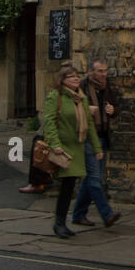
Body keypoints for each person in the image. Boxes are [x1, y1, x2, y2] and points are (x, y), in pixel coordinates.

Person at [41, 64, 105, 239]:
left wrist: (96, 148)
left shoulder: (81, 99)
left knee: (69, 188)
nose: (76, 79)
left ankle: (63, 222)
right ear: (62, 81)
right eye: (71, 76)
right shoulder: (56, 97)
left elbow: (89, 125)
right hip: (63, 149)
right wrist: (55, 145)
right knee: (66, 186)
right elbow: (49, 121)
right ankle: (59, 224)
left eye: (77, 76)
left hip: (78, 147)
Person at [72, 59, 121, 229]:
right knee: (95, 177)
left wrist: (112, 110)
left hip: (102, 135)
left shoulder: (106, 87)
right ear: (91, 72)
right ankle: (106, 214)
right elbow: (74, 109)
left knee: (91, 178)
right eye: (100, 71)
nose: (103, 74)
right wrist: (88, 110)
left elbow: (115, 105)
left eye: (105, 70)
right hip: (87, 137)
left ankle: (78, 214)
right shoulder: (83, 87)